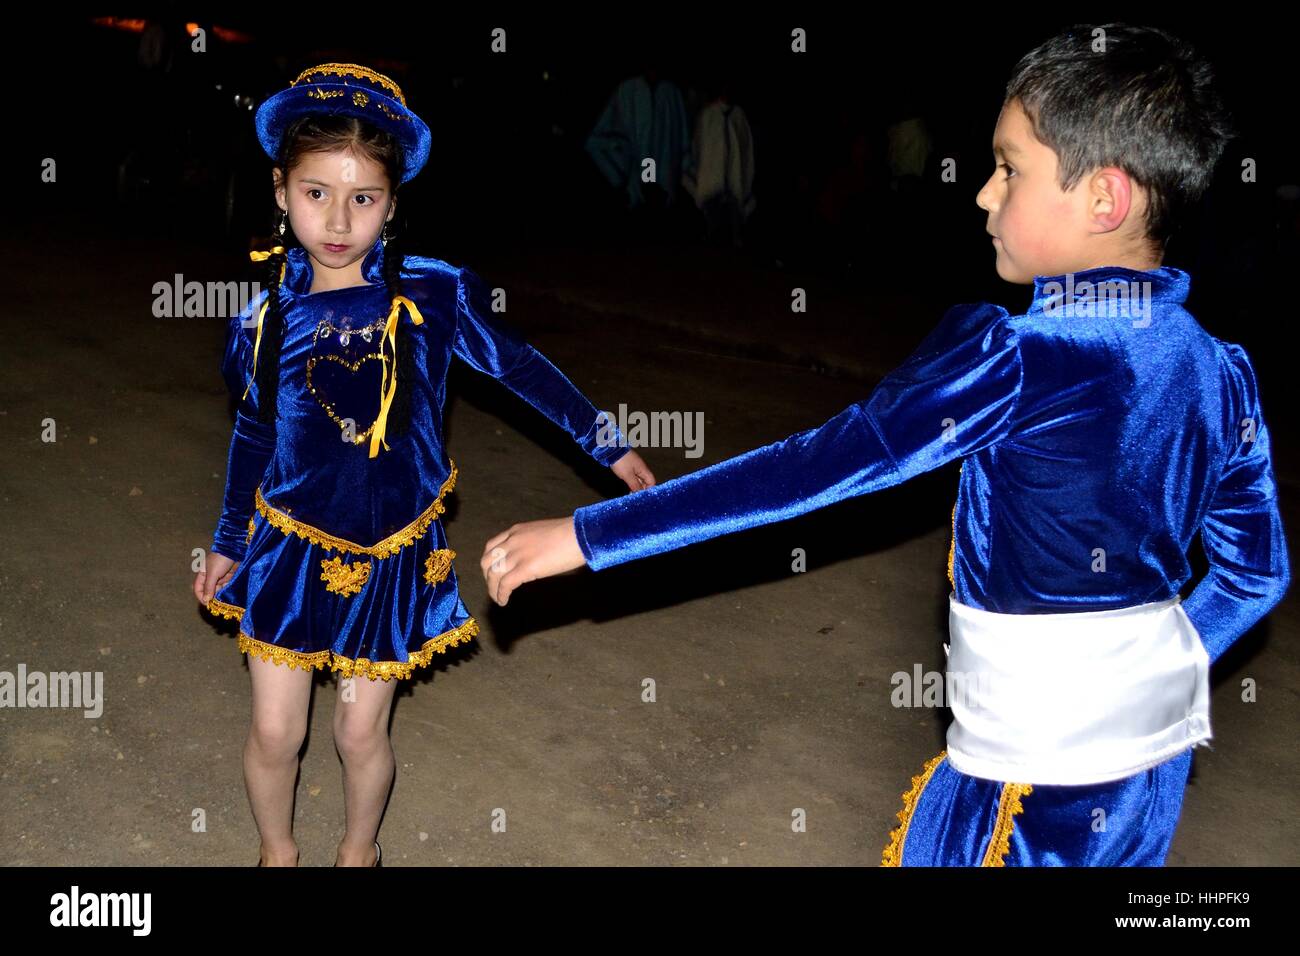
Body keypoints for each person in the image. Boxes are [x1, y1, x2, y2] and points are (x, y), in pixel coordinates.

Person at [478, 25, 1290, 865]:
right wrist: (1159, 664)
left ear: (1104, 200)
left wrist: (592, 534)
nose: (983, 194)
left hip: (1024, 782)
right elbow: (1255, 574)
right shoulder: (1220, 368)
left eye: (1010, 168)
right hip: (1145, 770)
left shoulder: (1017, 356)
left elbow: (821, 465)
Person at [191, 63, 654, 867]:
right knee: (276, 730)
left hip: (392, 552)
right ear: (279, 189)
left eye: (362, 198)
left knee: (359, 730)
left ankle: (358, 852)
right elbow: (255, 435)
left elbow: (521, 368)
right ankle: (276, 853)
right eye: (316, 193)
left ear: (393, 203)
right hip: (288, 549)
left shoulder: (434, 298)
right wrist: (230, 539)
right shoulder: (265, 320)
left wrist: (604, 440)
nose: (338, 219)